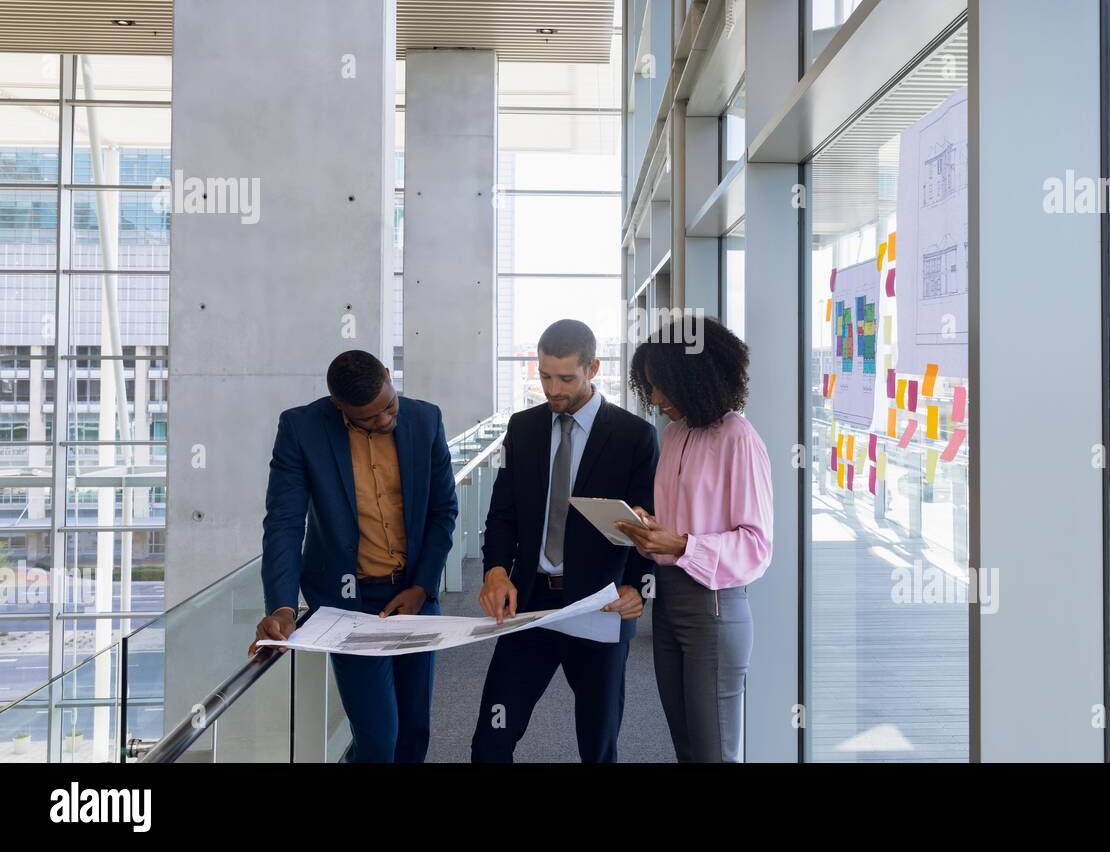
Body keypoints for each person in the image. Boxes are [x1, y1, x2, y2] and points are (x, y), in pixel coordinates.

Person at [250, 350, 458, 763]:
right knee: (379, 740)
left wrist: (421, 587)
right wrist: (283, 605)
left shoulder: (425, 419)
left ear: (387, 375)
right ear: (339, 406)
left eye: (389, 406)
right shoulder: (301, 429)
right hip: (349, 605)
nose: (385, 421)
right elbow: (285, 524)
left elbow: (443, 510)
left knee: (414, 732)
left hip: (414, 598)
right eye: (369, 418)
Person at [470, 319, 658, 763]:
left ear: (592, 368)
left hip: (599, 607)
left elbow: (650, 522)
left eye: (566, 378)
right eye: (545, 375)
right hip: (530, 605)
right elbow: (502, 513)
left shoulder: (634, 436)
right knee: (491, 739)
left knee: (597, 746)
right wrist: (496, 570)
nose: (553, 389)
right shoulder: (524, 428)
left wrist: (639, 587)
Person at [615, 315, 773, 763]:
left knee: (713, 751)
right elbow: (682, 519)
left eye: (663, 385)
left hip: (714, 607)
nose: (656, 398)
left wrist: (683, 545)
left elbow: (757, 546)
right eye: (650, 386)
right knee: (686, 747)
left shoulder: (737, 438)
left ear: (694, 378)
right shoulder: (674, 434)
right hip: (668, 603)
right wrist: (649, 526)